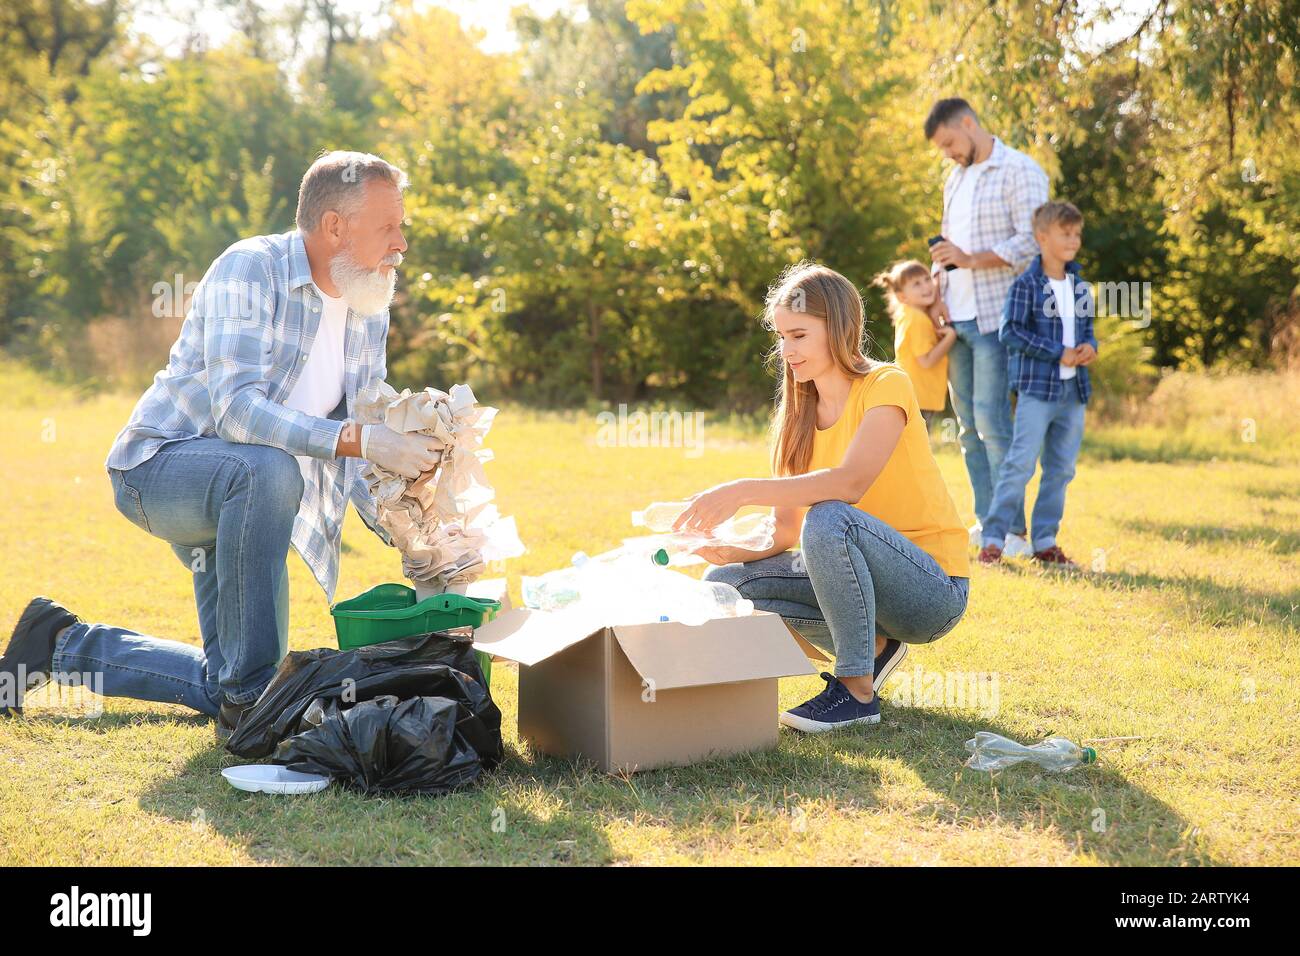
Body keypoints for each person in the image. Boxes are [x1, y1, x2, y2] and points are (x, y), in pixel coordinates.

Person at [1, 151, 441, 737]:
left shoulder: (367, 305)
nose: (401, 242)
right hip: (160, 471)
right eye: (389, 226)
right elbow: (238, 412)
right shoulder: (250, 269)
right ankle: (255, 701)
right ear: (335, 225)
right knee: (267, 472)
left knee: (229, 677)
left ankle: (60, 644)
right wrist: (363, 438)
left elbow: (361, 450)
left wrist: (414, 537)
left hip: (243, 503)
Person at [680, 262, 971, 733]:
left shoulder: (886, 384)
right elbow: (784, 532)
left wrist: (742, 491)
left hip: (932, 590)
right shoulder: (796, 417)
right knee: (725, 583)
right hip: (868, 589)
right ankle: (873, 644)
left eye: (798, 335)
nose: (786, 350)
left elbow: (849, 483)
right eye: (781, 337)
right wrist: (720, 549)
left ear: (838, 328)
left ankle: (856, 691)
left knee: (831, 517)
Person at [924, 96, 1049, 556]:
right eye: (942, 148)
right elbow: (946, 250)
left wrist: (971, 259)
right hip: (956, 318)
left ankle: (1013, 532)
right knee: (968, 428)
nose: (949, 153)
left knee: (994, 423)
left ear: (970, 124)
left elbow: (1034, 241)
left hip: (998, 316)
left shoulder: (1020, 170)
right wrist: (935, 294)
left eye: (951, 142)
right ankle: (987, 523)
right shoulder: (954, 179)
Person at [979, 201, 1097, 569]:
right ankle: (993, 540)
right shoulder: (1025, 285)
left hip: (1073, 393)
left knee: (1061, 469)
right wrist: (1056, 352)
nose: (1073, 240)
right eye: (1065, 233)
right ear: (1041, 237)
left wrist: (1089, 347)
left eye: (1077, 233)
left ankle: (1045, 542)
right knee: (1019, 465)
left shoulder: (1079, 287)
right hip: (1037, 391)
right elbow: (1009, 331)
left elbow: (1088, 332)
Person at [873, 260, 957, 430]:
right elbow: (925, 361)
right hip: (919, 397)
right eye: (916, 284)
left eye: (927, 279)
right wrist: (950, 337)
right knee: (917, 449)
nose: (926, 287)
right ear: (902, 296)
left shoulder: (908, 315)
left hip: (913, 395)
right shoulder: (917, 319)